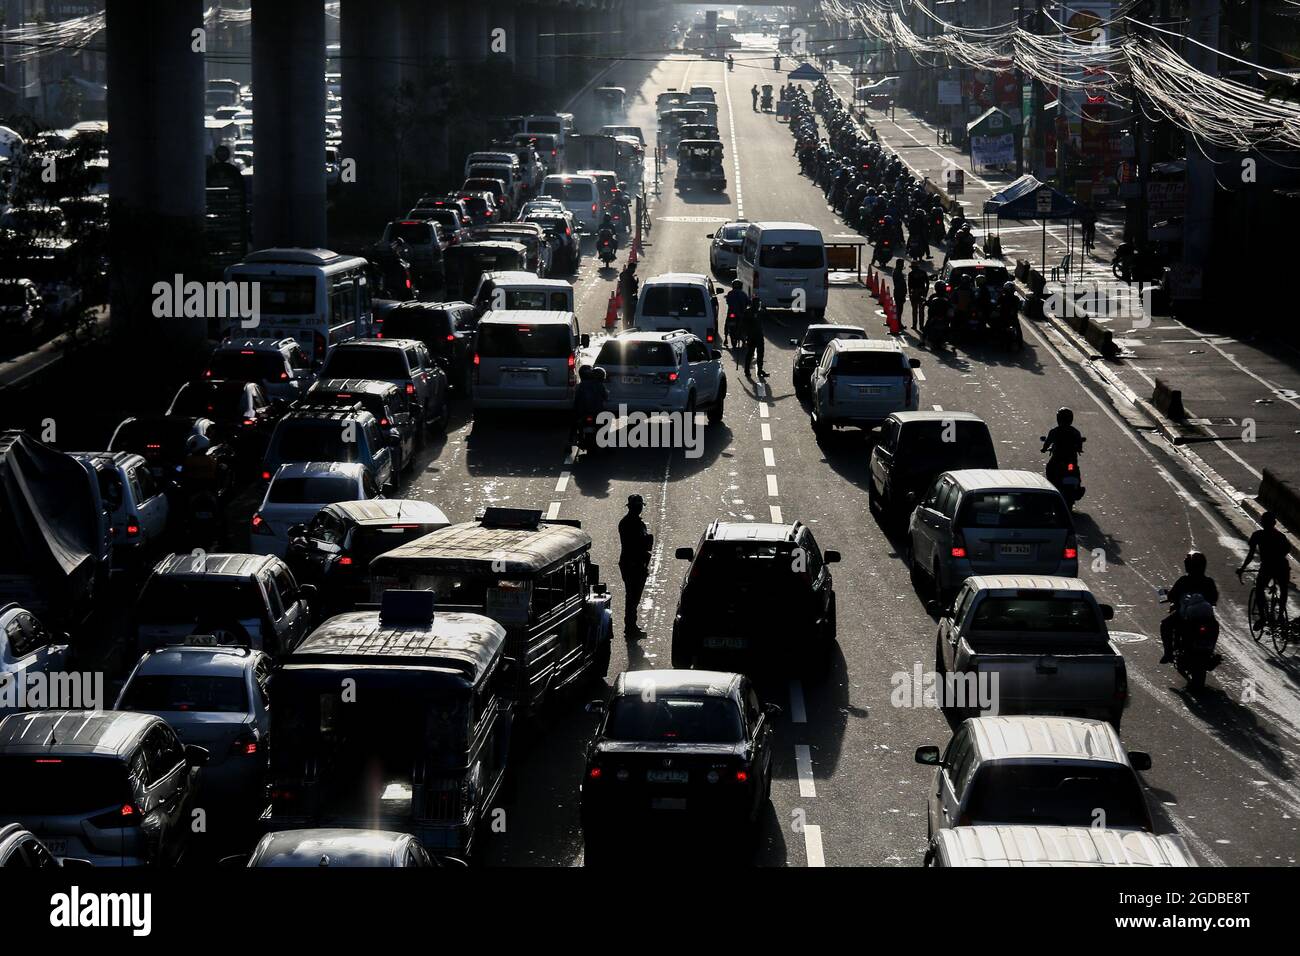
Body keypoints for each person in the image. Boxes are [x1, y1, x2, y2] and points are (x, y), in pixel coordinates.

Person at [1160, 550, 1219, 663]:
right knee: (1215, 626)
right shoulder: (1208, 581)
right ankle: (1211, 651)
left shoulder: (1184, 580)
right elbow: (1214, 598)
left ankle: (1168, 653)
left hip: (1185, 617)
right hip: (1206, 618)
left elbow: (1172, 595)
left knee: (1165, 625)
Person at [1238, 512, 1291, 630]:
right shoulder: (1281, 536)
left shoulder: (1257, 535)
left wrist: (1242, 568)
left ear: (1262, 523)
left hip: (1267, 566)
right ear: (1274, 523)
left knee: (1259, 589)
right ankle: (1281, 615)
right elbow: (1287, 550)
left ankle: (1262, 618)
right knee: (1284, 589)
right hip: (1282, 566)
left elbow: (1251, 554)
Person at [618, 494, 653, 632]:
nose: (639, 509)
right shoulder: (630, 523)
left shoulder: (630, 522)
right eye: (637, 506)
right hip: (633, 563)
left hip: (634, 563)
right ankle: (630, 625)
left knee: (633, 596)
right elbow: (636, 543)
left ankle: (631, 624)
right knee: (633, 596)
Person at [1041, 407, 1084, 486]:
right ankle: (1077, 486)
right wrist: (1079, 449)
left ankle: (1050, 486)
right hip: (1070, 460)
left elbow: (1047, 442)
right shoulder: (1075, 432)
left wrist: (1044, 449)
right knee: (1073, 468)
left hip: (1058, 459)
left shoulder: (1055, 431)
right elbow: (1079, 444)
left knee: (1050, 468)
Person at [743, 298, 766, 378]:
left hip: (759, 335)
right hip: (752, 336)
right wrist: (744, 335)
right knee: (750, 353)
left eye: (759, 303)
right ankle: (747, 370)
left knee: (760, 353)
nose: (759, 304)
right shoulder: (748, 312)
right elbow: (743, 324)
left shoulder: (760, 311)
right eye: (757, 303)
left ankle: (760, 370)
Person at [908, 262, 929, 331]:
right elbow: (927, 283)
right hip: (921, 292)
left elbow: (909, 286)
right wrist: (925, 292)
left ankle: (914, 325)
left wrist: (910, 294)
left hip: (914, 293)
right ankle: (921, 326)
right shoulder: (923, 272)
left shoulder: (911, 274)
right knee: (921, 310)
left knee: (915, 310)